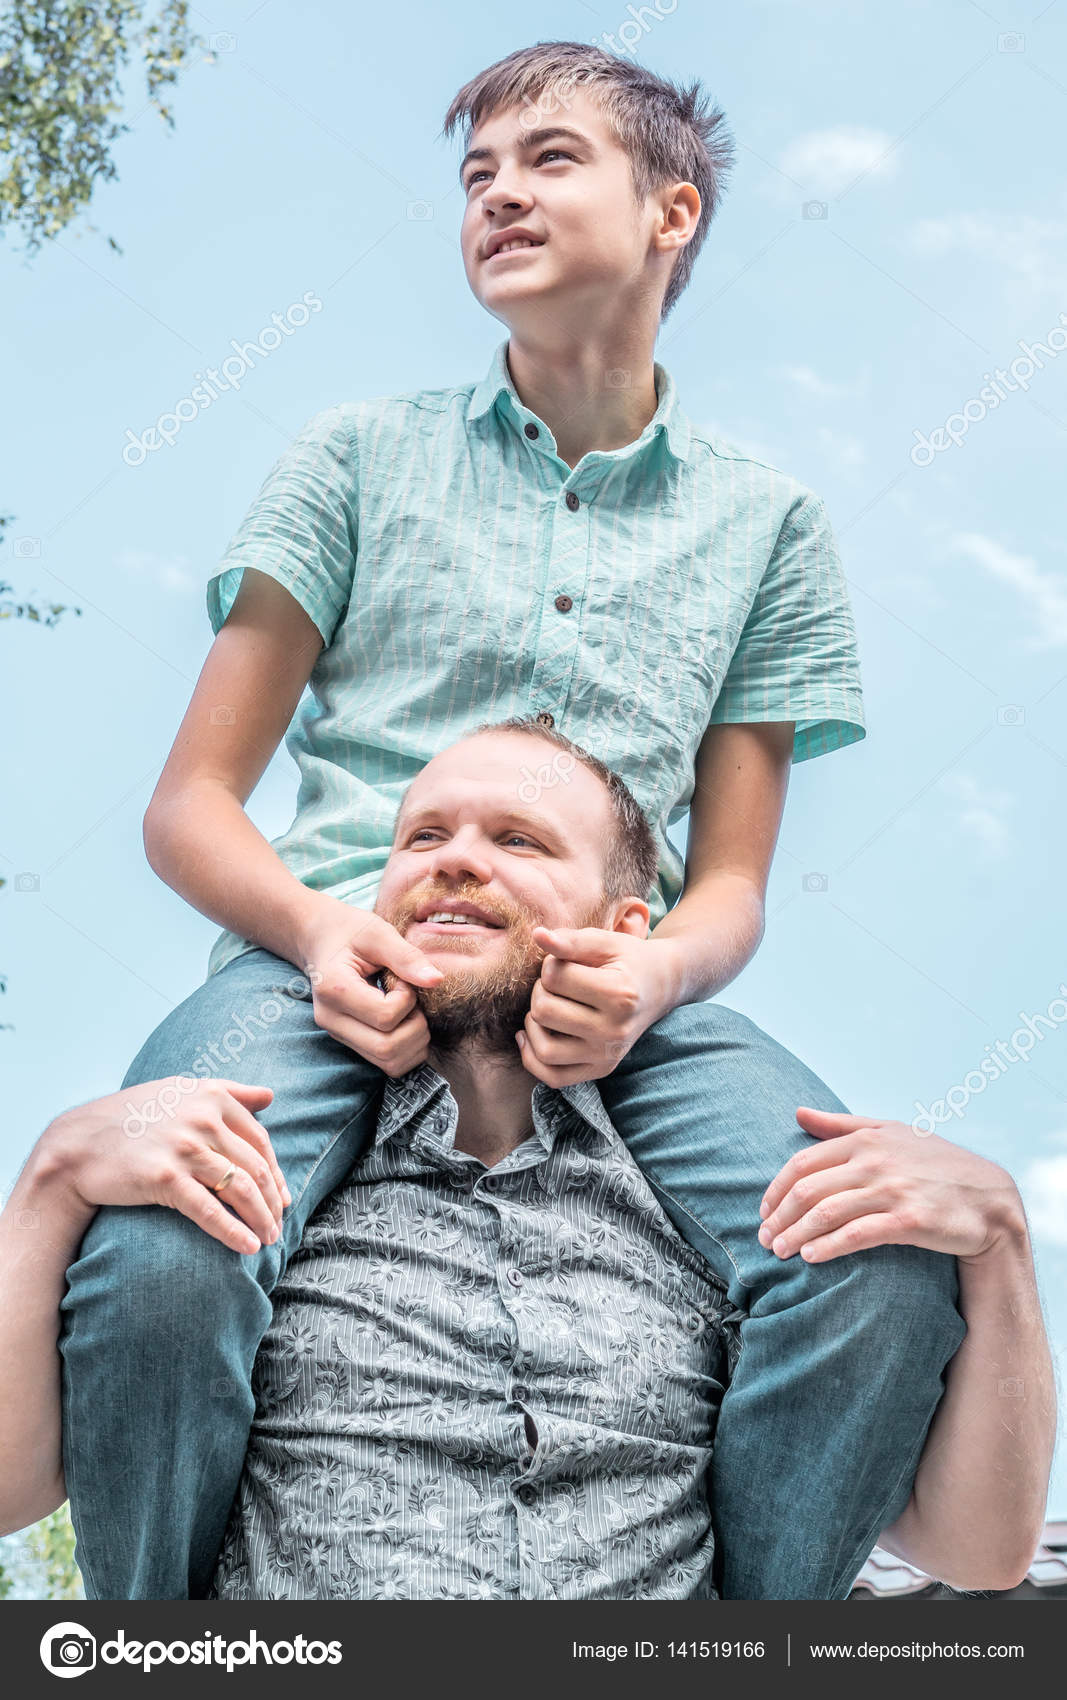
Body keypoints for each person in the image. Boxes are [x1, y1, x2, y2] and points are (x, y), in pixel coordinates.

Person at [44, 40, 976, 1600]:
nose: (496, 195)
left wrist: (654, 975)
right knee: (157, 1248)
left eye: (547, 159)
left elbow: (729, 883)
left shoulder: (767, 525)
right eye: (474, 173)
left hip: (617, 984)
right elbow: (188, 806)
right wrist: (319, 930)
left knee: (867, 1254)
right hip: (319, 960)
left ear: (671, 211)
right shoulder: (353, 458)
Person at [1, 726, 1055, 1599]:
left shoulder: (722, 1219)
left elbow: (977, 1554)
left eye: (519, 839)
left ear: (625, 930)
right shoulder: (246, 1181)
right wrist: (48, 1185)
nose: (455, 859)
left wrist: (1000, 1241)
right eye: (423, 835)